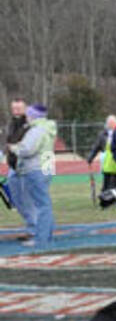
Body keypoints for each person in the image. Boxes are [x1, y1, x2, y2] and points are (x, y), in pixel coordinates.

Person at [12, 103, 57, 249]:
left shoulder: (37, 130)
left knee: (41, 204)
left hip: (36, 167)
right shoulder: (49, 128)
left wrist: (14, 148)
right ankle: (46, 236)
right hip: (47, 165)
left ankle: (41, 238)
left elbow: (27, 150)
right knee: (45, 203)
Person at [5, 96, 33, 232]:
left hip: (26, 167)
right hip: (13, 166)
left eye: (18, 108)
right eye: (13, 108)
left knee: (28, 200)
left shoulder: (30, 124)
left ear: (25, 109)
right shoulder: (11, 123)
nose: (15, 111)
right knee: (16, 200)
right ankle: (31, 225)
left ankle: (35, 229)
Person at [87, 115, 116, 194]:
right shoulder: (103, 134)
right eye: (109, 123)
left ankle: (115, 199)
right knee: (106, 182)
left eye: (113, 122)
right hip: (107, 163)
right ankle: (104, 197)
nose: (111, 124)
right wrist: (90, 158)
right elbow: (96, 147)